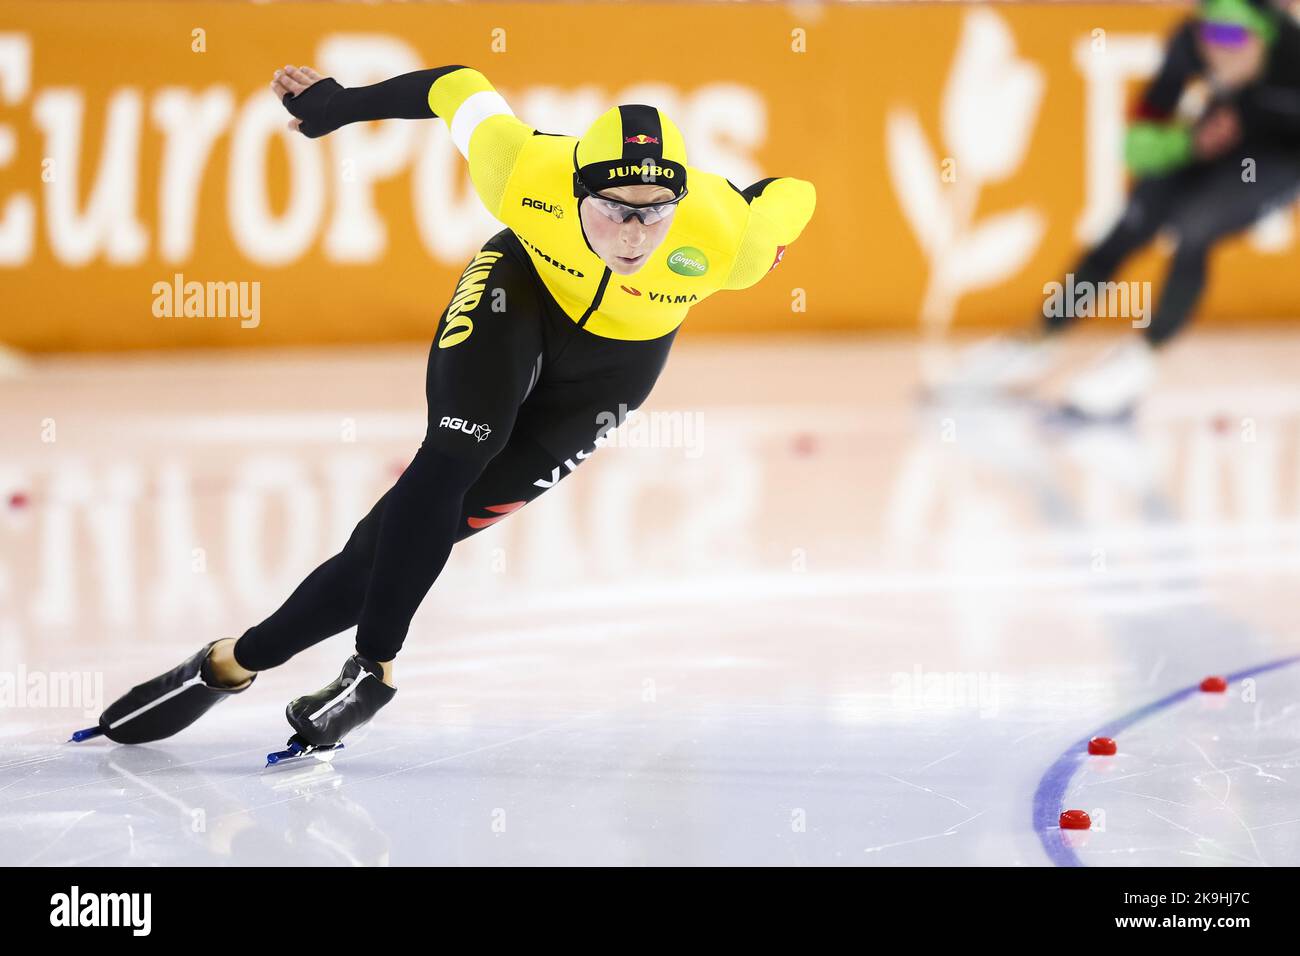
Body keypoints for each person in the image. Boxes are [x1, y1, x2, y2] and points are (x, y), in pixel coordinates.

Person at [75, 63, 816, 758]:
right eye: (613, 210)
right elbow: (456, 87)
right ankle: (376, 668)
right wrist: (336, 106)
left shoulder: (729, 241)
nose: (632, 235)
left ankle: (232, 661)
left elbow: (797, 194)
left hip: (612, 370)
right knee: (453, 456)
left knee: (392, 543)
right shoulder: (523, 168)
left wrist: (759, 208)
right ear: (575, 189)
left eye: (654, 216)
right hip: (518, 294)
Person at [946, 0, 1300, 419]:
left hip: (1277, 161)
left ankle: (1141, 357)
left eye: (1233, 36)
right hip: (1212, 145)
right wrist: (1186, 144)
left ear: (1265, 36)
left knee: (1195, 228)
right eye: (1210, 32)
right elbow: (1136, 142)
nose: (1218, 48)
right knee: (1128, 226)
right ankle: (1038, 339)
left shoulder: (1291, 59)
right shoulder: (1188, 44)